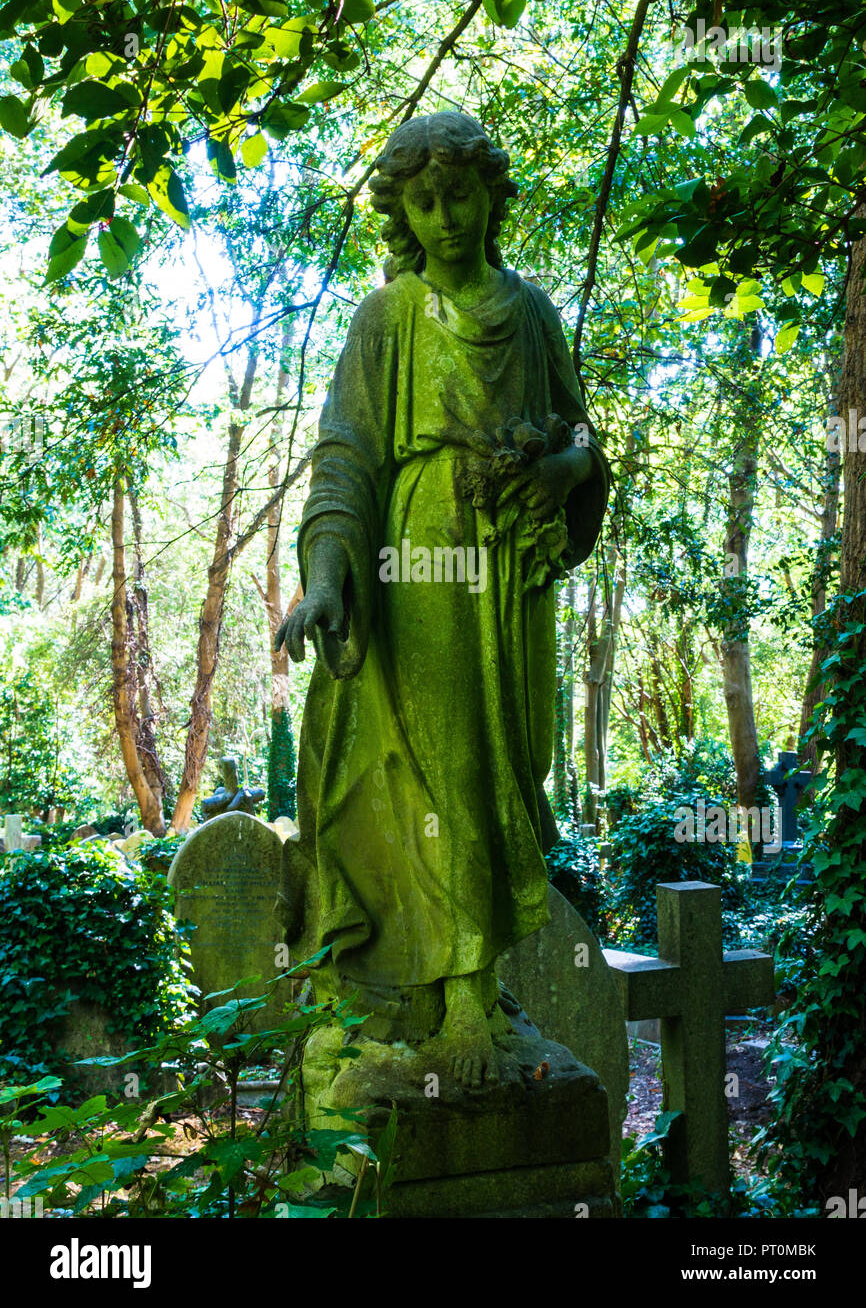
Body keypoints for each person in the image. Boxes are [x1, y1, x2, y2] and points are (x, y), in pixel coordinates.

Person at [275, 112, 609, 1087]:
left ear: (490, 195)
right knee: (439, 767)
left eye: (460, 193)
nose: (444, 215)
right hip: (414, 560)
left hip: (506, 575)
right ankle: (456, 1005)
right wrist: (329, 579)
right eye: (423, 200)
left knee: (505, 768)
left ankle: (474, 998)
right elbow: (345, 455)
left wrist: (552, 470)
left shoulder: (532, 313)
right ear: (401, 212)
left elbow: (583, 448)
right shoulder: (386, 320)